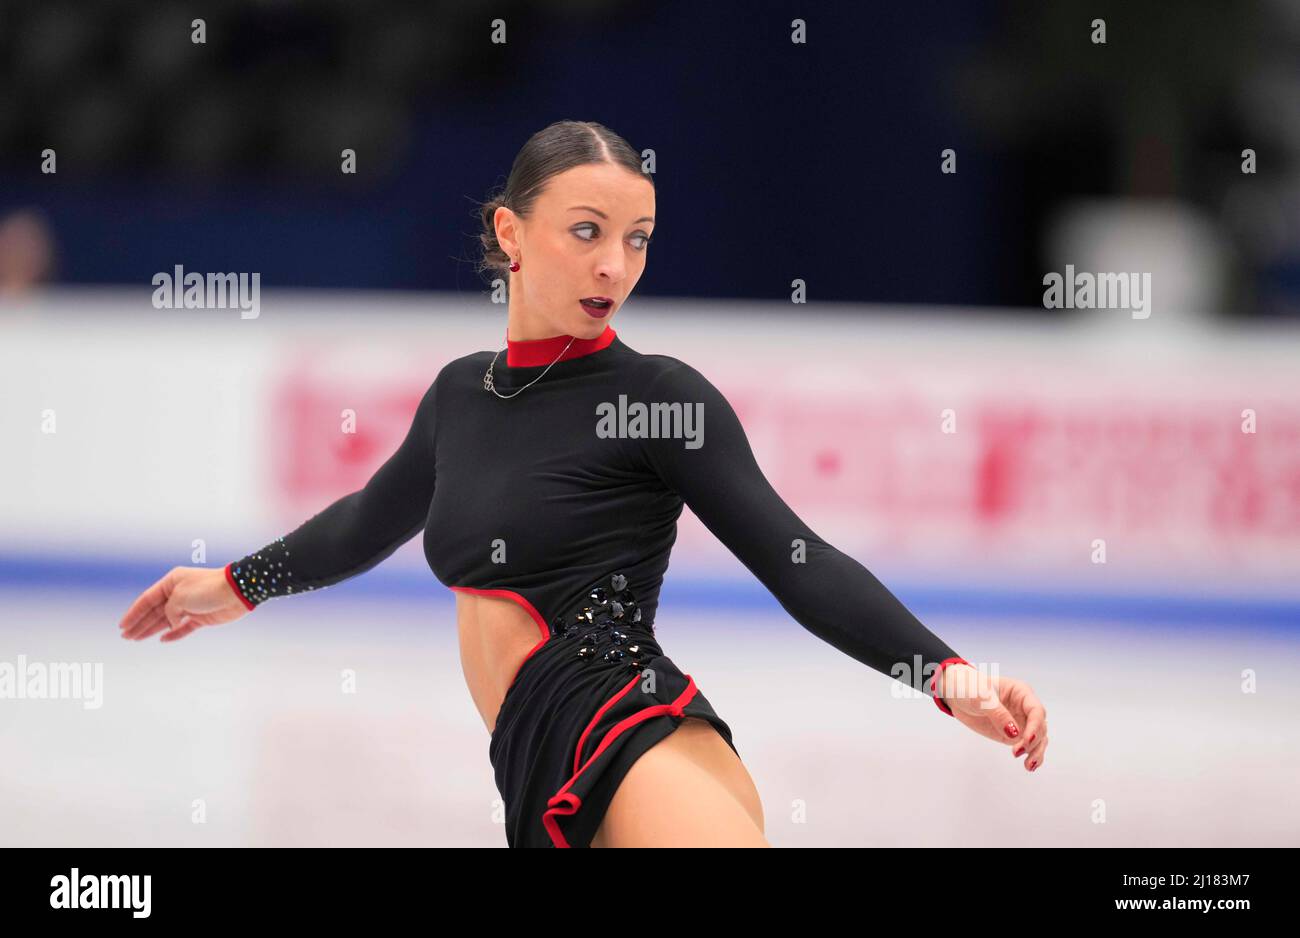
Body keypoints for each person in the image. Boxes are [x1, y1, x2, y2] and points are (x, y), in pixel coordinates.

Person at [117, 120, 1049, 848]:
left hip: (627, 731)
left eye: (637, 239)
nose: (616, 264)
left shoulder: (659, 397)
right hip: (535, 751)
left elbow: (796, 559)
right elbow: (367, 521)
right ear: (510, 233)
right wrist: (236, 585)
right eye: (588, 232)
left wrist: (944, 674)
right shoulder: (460, 393)